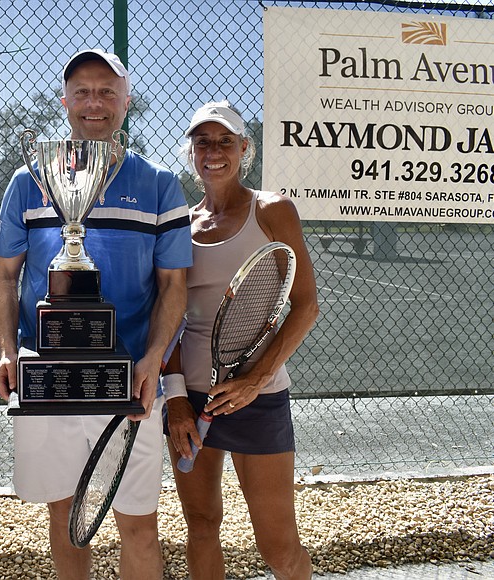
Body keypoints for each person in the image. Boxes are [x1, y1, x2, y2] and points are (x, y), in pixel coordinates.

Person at [0, 49, 192, 579]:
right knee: (65, 519)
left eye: (106, 91)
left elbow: (174, 287)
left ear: (127, 101)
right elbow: (4, 279)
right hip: (48, 377)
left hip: (128, 382)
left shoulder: (159, 186)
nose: (94, 103)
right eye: (82, 91)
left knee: (138, 527)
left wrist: (151, 360)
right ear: (65, 101)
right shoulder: (27, 181)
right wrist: (10, 353)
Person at [162, 100, 319, 580]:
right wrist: (176, 401)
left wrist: (258, 378)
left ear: (243, 148)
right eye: (202, 141)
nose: (213, 151)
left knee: (277, 545)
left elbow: (306, 305)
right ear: (191, 151)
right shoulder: (178, 226)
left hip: (259, 396)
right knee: (202, 525)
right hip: (191, 396)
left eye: (225, 141)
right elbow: (165, 318)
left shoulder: (273, 210)